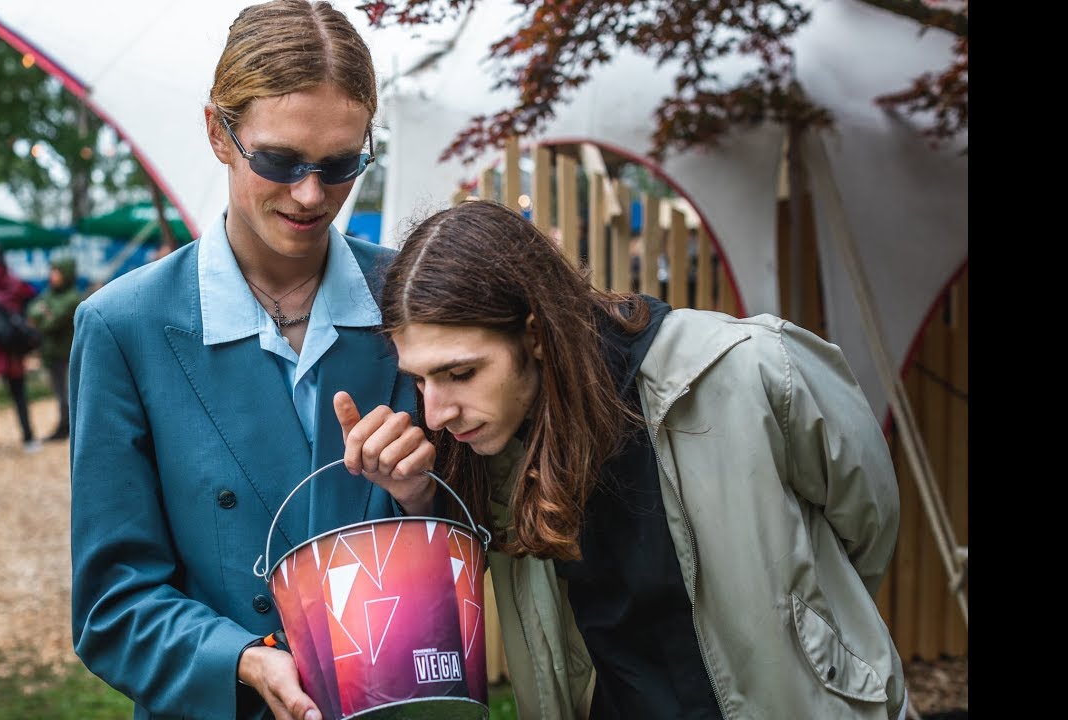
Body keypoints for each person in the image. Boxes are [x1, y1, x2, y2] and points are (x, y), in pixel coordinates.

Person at [378, 199, 908, 720]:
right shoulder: (491, 454)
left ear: (535, 334)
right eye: (419, 379)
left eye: (460, 373)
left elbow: (867, 519)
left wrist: (813, 640)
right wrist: (415, 497)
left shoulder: (747, 368)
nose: (436, 411)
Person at [67, 3, 437, 719]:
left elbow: (503, 515)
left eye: (339, 166)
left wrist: (423, 493)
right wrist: (240, 659)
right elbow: (112, 605)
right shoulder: (123, 327)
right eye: (278, 161)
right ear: (218, 133)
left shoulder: (412, 296)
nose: (310, 195)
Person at [0, 240, 40, 454]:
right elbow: (30, 294)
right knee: (19, 395)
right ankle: (29, 439)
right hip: (11, 345)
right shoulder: (11, 279)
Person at [25, 255, 81, 441]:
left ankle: (68, 427)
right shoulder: (50, 294)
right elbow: (32, 311)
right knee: (58, 394)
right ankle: (63, 424)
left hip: (66, 354)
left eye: (56, 271)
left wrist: (44, 314)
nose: (52, 275)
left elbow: (51, 322)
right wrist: (44, 314)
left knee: (67, 394)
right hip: (51, 354)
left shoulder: (72, 298)